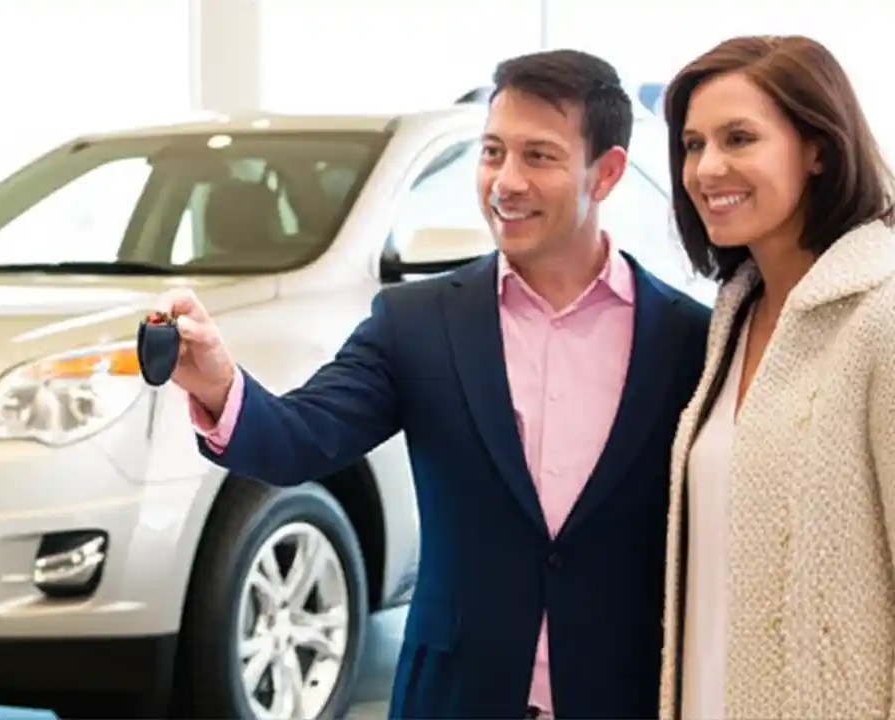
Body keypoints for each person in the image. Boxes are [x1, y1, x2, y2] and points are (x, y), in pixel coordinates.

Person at [156, 49, 711, 719]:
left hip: (625, 695)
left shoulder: (686, 339)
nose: (505, 182)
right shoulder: (418, 322)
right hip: (456, 695)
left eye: (539, 156)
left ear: (608, 171)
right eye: (492, 152)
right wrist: (218, 382)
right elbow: (300, 440)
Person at [656, 35, 895, 720]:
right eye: (694, 144)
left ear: (818, 148)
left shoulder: (882, 317)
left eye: (739, 138)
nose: (707, 168)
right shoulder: (734, 318)